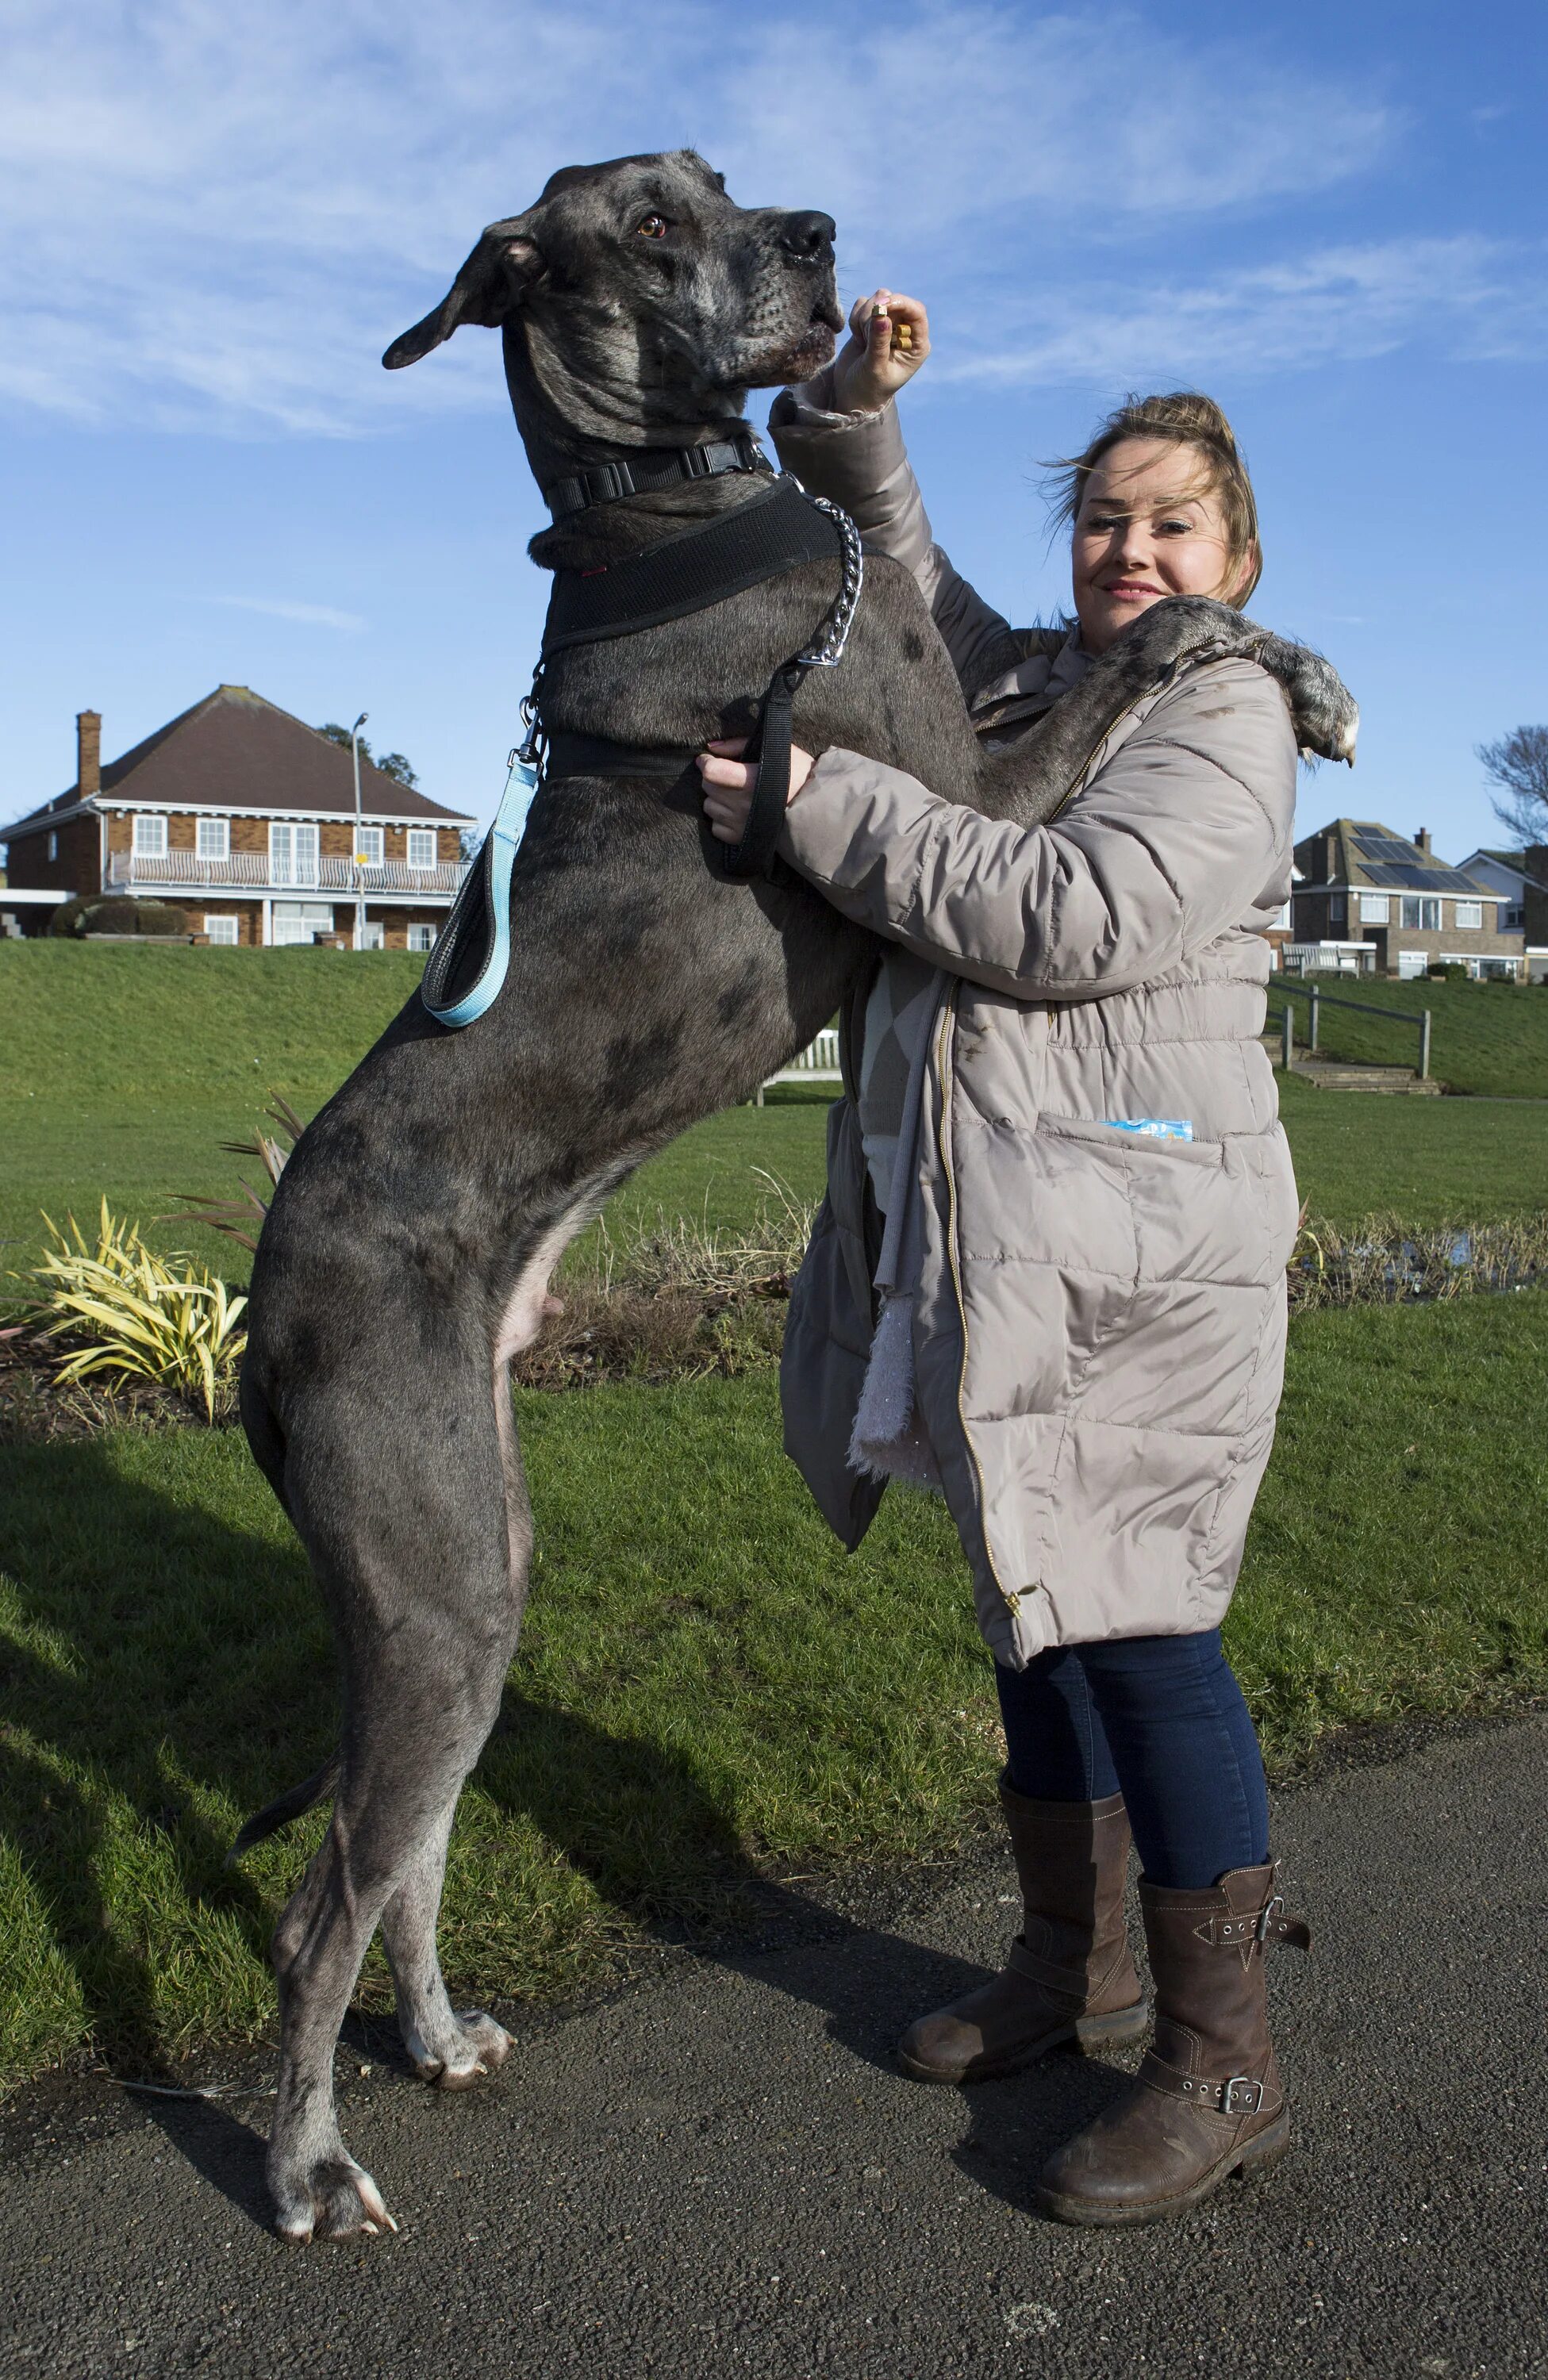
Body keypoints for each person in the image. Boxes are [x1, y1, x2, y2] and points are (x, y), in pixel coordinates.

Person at [698, 293, 1314, 2228]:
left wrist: (816, 805)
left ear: (1235, 560)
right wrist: (859, 423)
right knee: (1028, 1596)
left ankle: (1224, 2066)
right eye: (1103, 520)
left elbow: (1072, 912)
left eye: (1169, 526)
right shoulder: (1040, 691)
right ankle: (1079, 1965)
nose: (1129, 551)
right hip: (1004, 1244)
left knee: (1143, 1628)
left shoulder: (1226, 711)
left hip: (1145, 1245)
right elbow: (914, 608)